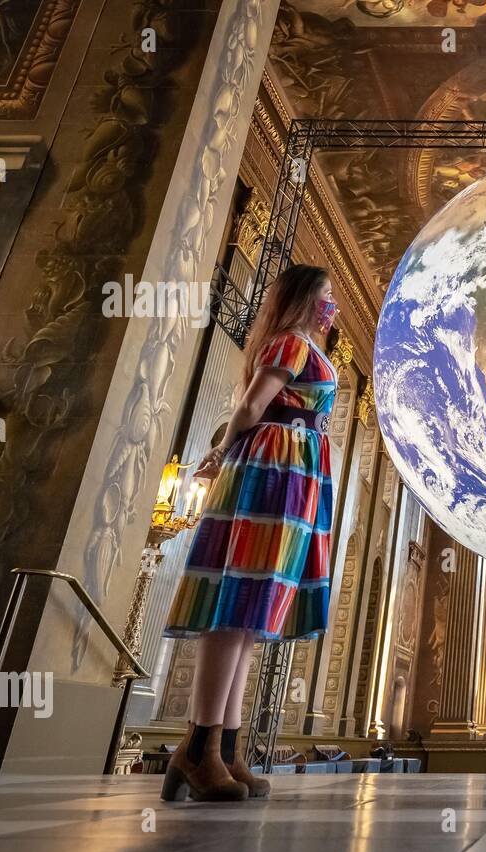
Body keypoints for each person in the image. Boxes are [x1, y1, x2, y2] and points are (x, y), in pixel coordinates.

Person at [159, 264, 339, 802]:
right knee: (238, 601)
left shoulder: (308, 346)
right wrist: (220, 451)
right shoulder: (289, 344)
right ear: (305, 298)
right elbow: (252, 406)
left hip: (297, 472)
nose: (334, 304)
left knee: (254, 613)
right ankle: (198, 752)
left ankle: (224, 747)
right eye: (328, 295)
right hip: (274, 467)